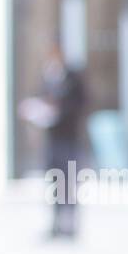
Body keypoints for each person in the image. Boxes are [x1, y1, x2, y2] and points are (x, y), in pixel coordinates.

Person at [39, 44, 86, 239]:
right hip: (53, 138)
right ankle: (56, 222)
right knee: (54, 182)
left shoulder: (73, 77)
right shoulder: (47, 77)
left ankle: (70, 223)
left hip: (69, 137)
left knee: (69, 181)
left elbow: (82, 102)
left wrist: (61, 111)